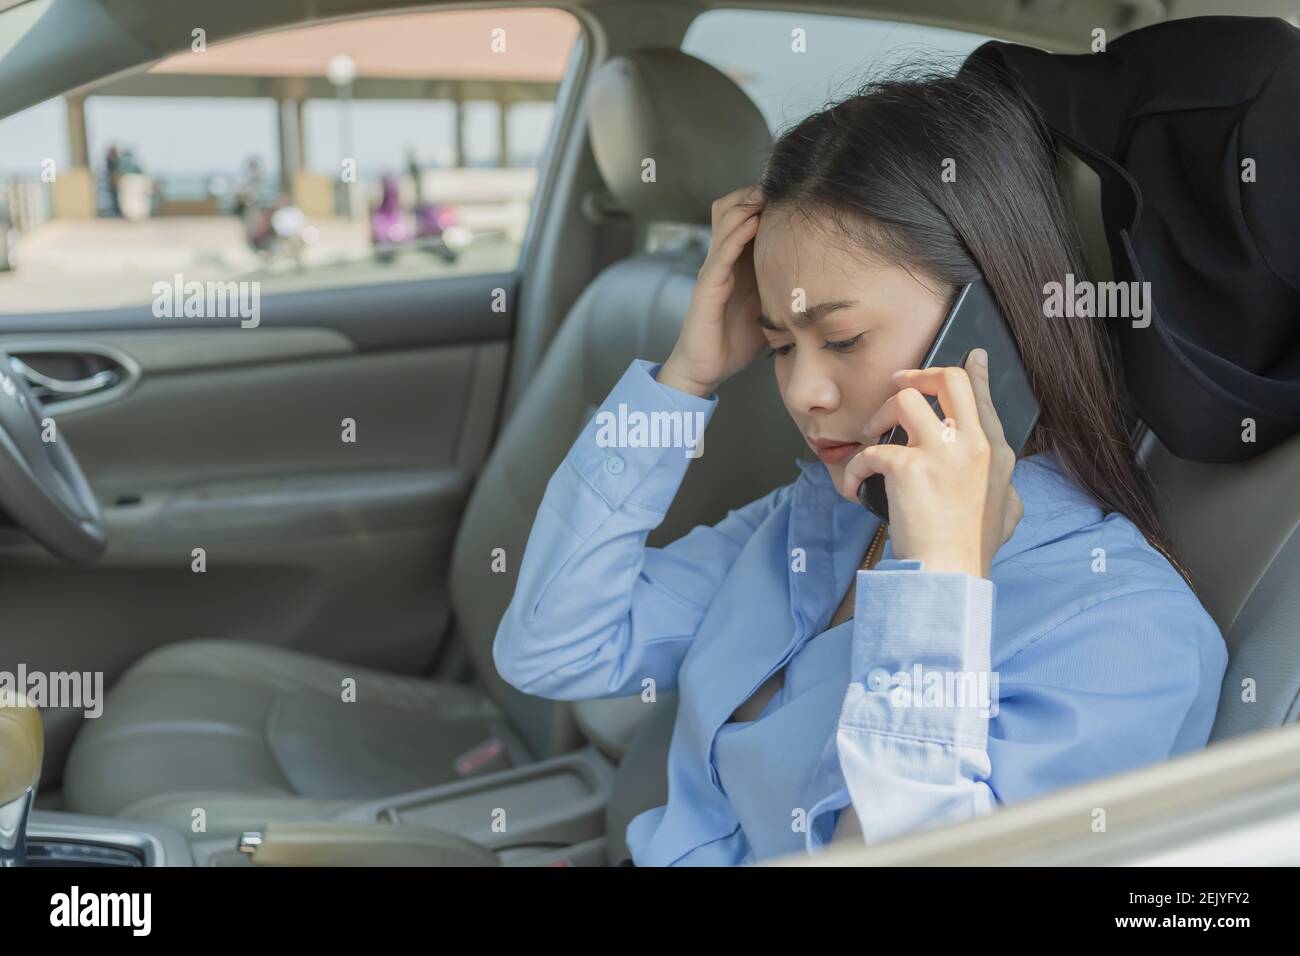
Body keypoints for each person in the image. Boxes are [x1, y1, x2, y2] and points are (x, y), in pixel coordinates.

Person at [492, 61, 1229, 866]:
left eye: (843, 340)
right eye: (780, 345)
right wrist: (686, 378)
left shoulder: (1123, 631)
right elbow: (551, 645)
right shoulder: (817, 521)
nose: (804, 391)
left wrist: (939, 587)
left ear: (993, 321)